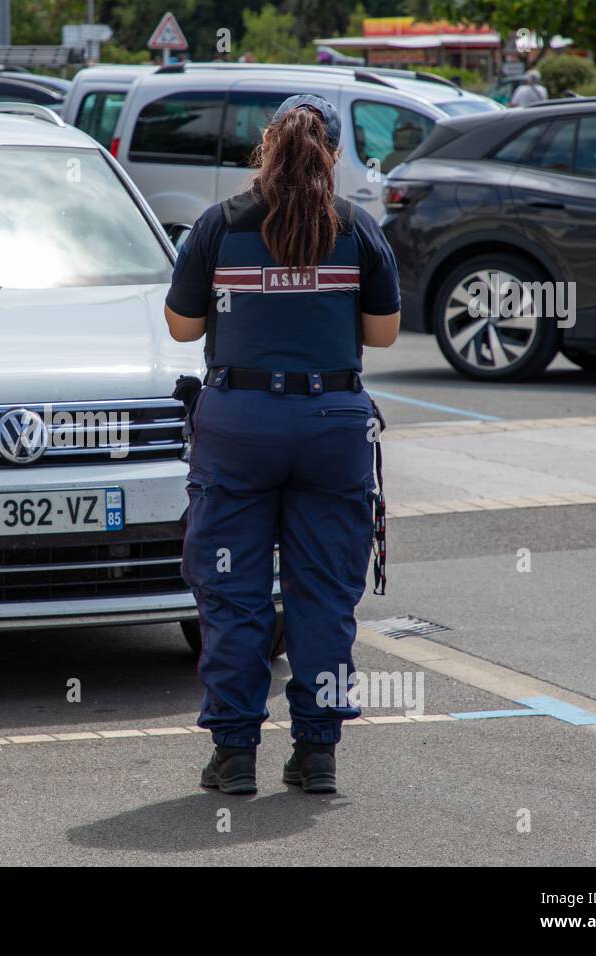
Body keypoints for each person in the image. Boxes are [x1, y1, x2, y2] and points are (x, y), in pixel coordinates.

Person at [164, 94, 401, 795]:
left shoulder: (220, 225)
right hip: (331, 426)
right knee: (324, 594)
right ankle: (317, 753)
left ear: (267, 147)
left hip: (239, 426)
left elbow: (182, 328)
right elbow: (383, 335)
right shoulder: (357, 229)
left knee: (234, 595)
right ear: (330, 154)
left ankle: (235, 755)